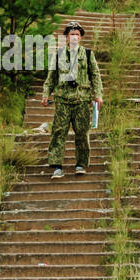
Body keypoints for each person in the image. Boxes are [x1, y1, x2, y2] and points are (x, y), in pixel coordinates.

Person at [41, 21, 103, 179]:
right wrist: (45, 94)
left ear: (80, 37)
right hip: (62, 100)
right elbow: (51, 78)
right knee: (58, 132)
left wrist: (98, 95)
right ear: (66, 38)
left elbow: (95, 76)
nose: (74, 37)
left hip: (81, 100)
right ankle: (57, 166)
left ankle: (81, 164)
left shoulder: (88, 54)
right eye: (71, 35)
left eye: (77, 34)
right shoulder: (58, 55)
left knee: (82, 133)